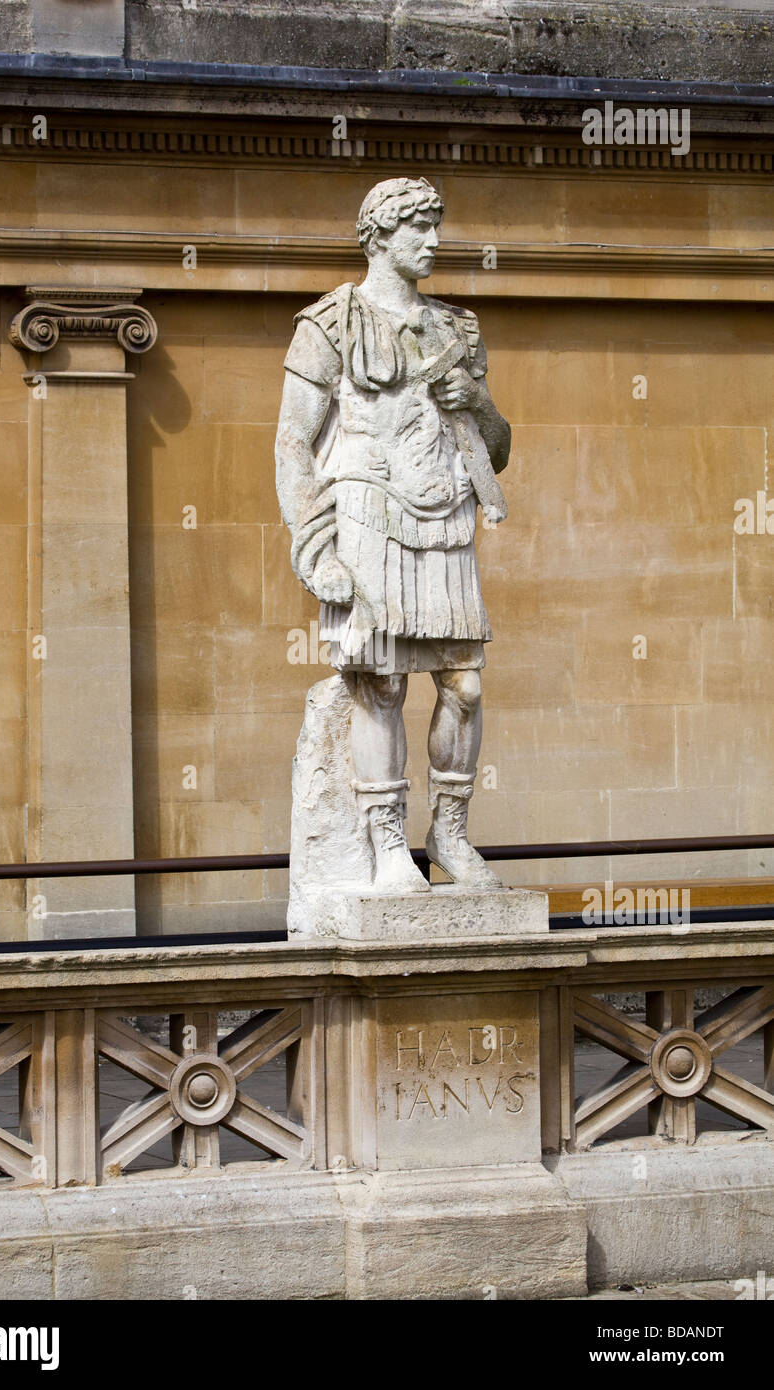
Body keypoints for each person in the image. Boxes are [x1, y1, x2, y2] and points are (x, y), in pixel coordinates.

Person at [276, 176, 511, 893]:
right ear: (379, 235)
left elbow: (495, 448)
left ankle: (448, 832)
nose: (435, 242)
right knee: (379, 684)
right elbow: (292, 442)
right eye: (420, 229)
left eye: (436, 227)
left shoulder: (457, 330)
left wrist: (478, 402)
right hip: (369, 517)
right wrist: (314, 546)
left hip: (447, 519)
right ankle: (384, 844)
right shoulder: (330, 324)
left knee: (463, 684)